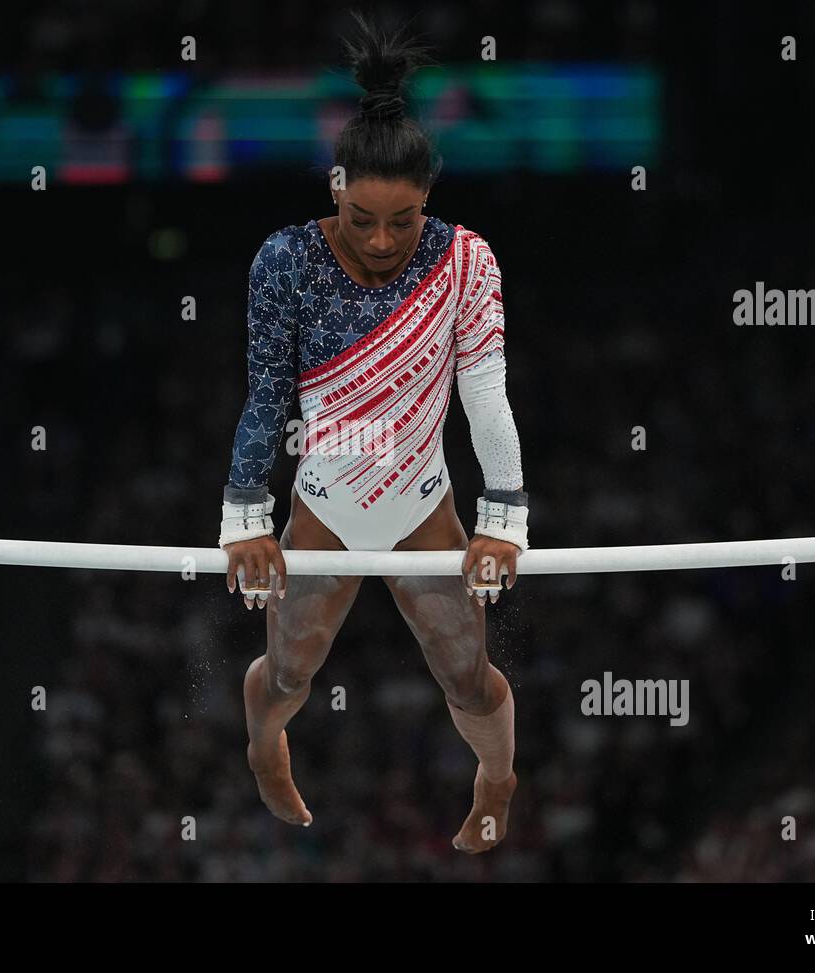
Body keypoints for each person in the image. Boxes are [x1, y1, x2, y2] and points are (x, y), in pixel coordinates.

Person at [218, 14, 529, 853]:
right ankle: (262, 747)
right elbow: (267, 397)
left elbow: (487, 401)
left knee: (465, 672)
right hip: (323, 496)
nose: (385, 240)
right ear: (335, 187)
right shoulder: (284, 261)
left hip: (423, 495)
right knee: (288, 672)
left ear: (429, 199)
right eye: (363, 218)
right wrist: (244, 516)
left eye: (405, 220)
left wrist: (504, 520)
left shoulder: (466, 261)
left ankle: (497, 776)